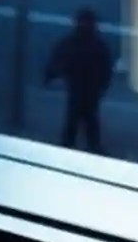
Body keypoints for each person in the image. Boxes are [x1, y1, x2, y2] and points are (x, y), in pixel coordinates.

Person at [45, 8, 114, 151]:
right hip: (90, 88)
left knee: (75, 118)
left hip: (77, 86)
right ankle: (92, 147)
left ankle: (69, 145)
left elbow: (59, 59)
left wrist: (50, 76)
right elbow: (106, 68)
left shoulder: (71, 42)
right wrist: (103, 85)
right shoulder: (97, 45)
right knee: (89, 119)